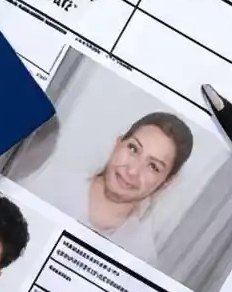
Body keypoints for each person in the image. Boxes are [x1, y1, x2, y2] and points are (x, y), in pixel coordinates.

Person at [20, 111, 193, 266]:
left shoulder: (142, 258)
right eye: (133, 148)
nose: (132, 171)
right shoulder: (45, 182)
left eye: (153, 166)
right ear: (118, 143)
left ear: (166, 182)